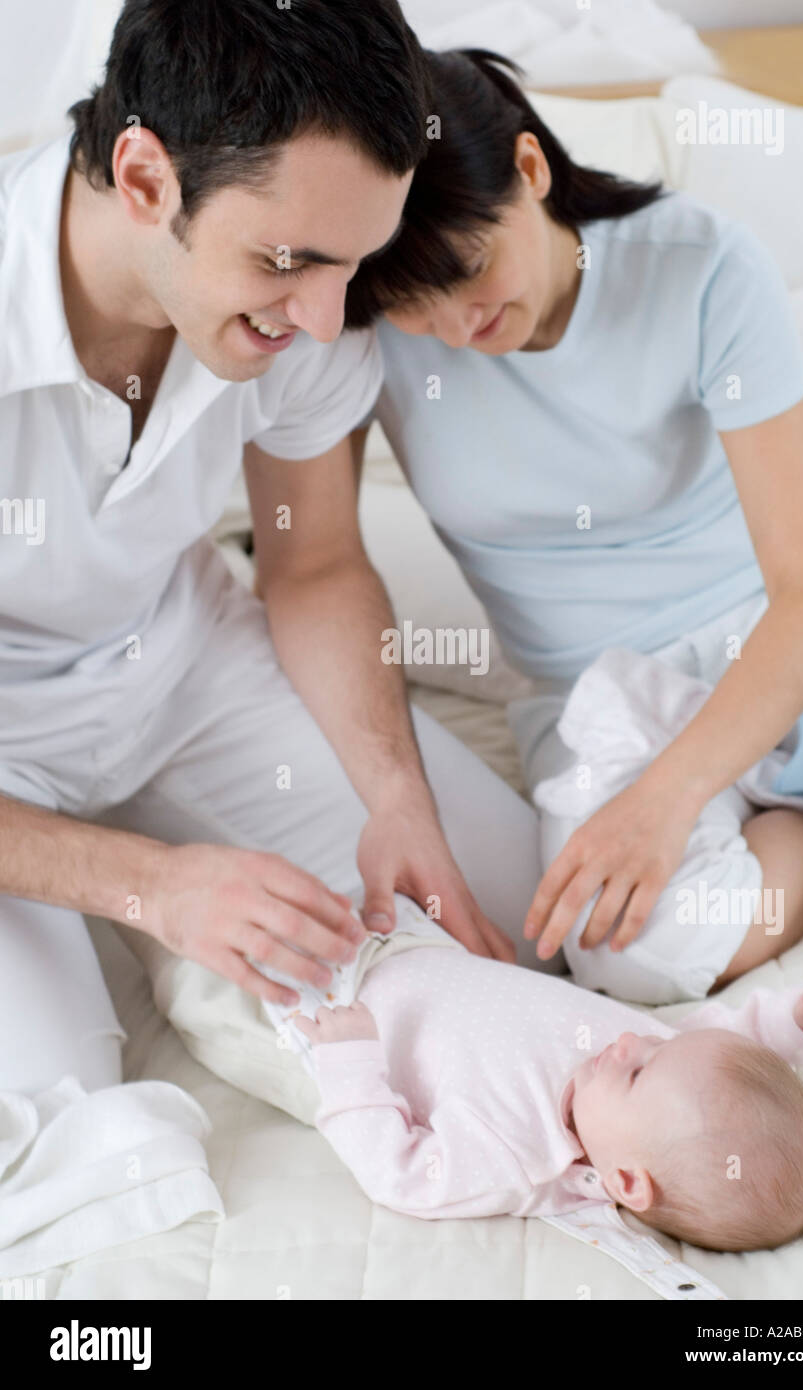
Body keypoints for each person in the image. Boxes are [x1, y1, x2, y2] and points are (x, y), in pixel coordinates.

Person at [0, 2, 559, 1261]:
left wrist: (391, 795)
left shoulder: (311, 294)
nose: (323, 319)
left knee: (521, 928)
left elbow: (311, 564)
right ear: (147, 177)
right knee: (66, 1156)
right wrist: (154, 889)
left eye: (353, 266)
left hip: (178, 658)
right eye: (287, 263)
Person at [345, 47, 803, 1003]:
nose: (458, 330)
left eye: (469, 271)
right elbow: (313, 562)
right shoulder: (359, 331)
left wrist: (671, 803)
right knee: (620, 944)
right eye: (412, 308)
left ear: (532, 170)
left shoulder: (702, 264)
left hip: (796, 641)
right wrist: (653, 797)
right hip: (602, 702)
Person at [293, 920, 803, 1253]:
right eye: (655, 1047)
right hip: (405, 937)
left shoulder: (521, 1156)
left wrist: (349, 1064)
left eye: (638, 1071)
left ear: (624, 1181)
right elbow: (715, 1042)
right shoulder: (663, 1072)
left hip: (312, 1017)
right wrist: (798, 1027)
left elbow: (398, 1173)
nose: (629, 1044)